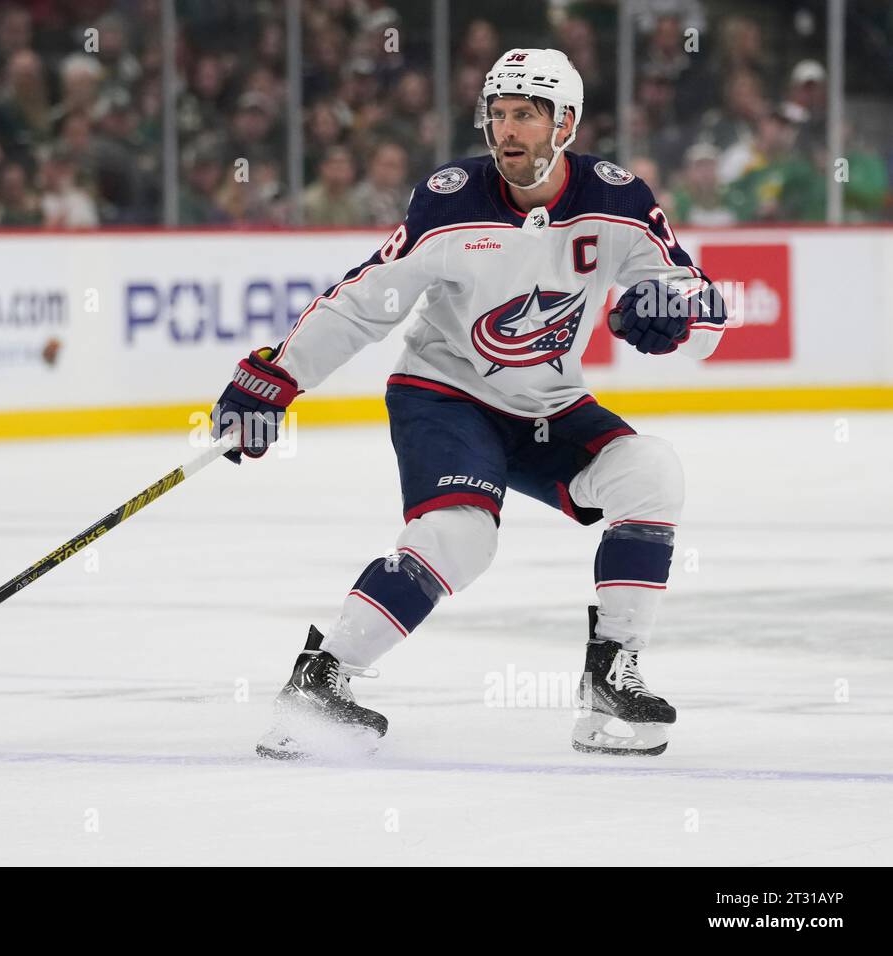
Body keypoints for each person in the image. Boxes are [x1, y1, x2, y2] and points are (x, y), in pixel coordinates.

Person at [211, 49, 727, 759]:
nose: (507, 130)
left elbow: (703, 315)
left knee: (652, 475)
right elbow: (365, 303)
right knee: (461, 538)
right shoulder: (450, 201)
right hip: (445, 391)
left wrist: (684, 317)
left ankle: (611, 674)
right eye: (499, 114)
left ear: (565, 123)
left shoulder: (619, 200)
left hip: (550, 404)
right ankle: (322, 680)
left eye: (526, 115)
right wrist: (278, 376)